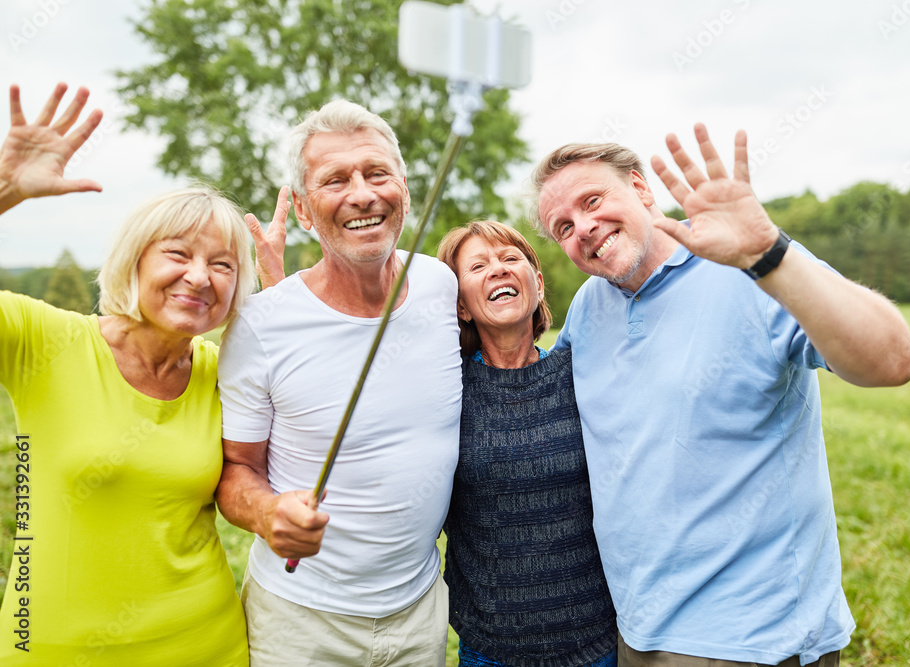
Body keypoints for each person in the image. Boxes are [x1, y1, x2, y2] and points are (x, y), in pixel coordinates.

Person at [529, 125, 910, 667]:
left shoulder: (749, 269)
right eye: (563, 227)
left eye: (593, 201)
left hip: (755, 638)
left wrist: (767, 253)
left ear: (641, 189)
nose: (584, 229)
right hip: (636, 631)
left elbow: (892, 361)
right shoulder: (590, 308)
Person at [0, 83, 253, 665]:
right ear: (132, 259)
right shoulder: (47, 340)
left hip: (206, 646)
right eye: (177, 254)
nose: (200, 277)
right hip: (49, 649)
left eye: (222, 264)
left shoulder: (227, 374)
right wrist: (7, 189)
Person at [215, 99, 462, 665]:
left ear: (403, 186)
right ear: (303, 209)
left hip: (421, 612)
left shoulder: (439, 285)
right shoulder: (259, 325)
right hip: (302, 623)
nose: (362, 194)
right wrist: (267, 514)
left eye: (378, 173)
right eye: (335, 180)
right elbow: (238, 470)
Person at [436, 220, 617, 667]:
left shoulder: (583, 373)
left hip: (597, 641)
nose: (498, 270)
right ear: (460, 306)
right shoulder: (442, 389)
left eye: (510, 259)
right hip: (490, 647)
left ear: (536, 285)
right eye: (478, 266)